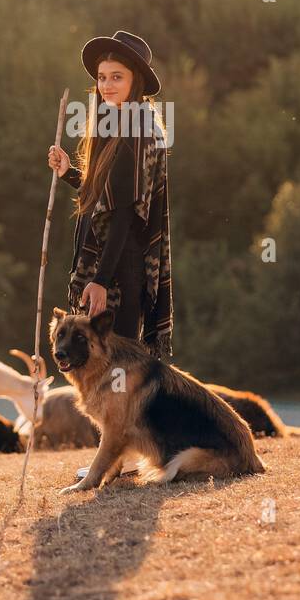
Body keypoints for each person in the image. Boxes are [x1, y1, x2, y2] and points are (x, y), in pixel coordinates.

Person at [47, 29, 173, 359]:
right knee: (99, 373)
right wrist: (69, 174)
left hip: (119, 273)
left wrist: (101, 280)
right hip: (109, 268)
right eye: (102, 77)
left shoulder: (140, 127)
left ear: (136, 82)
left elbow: (124, 212)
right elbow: (107, 196)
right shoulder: (117, 122)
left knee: (117, 369)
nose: (106, 85)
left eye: (117, 77)